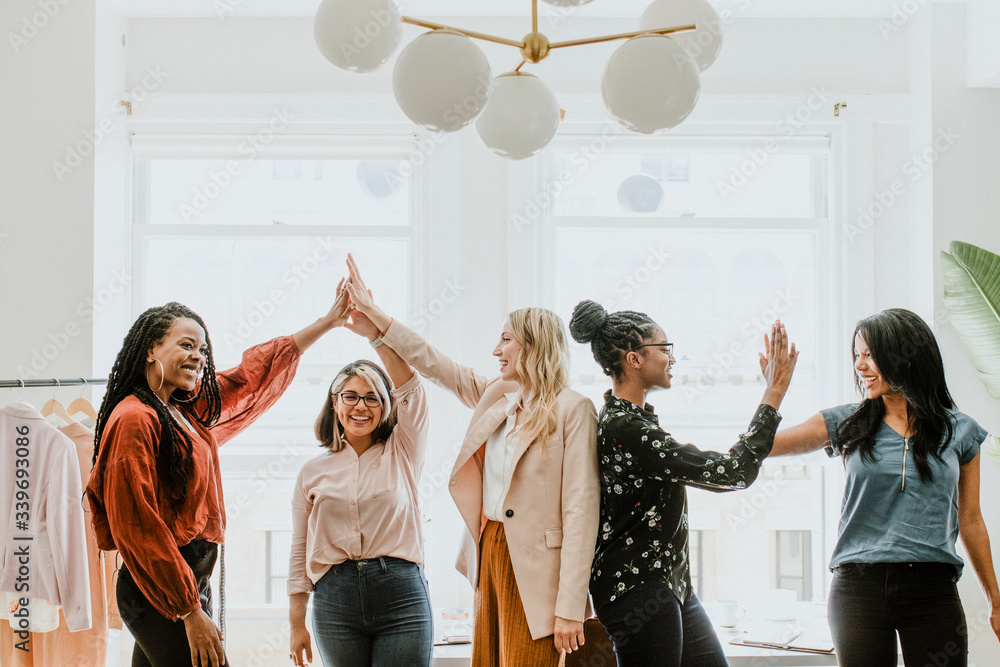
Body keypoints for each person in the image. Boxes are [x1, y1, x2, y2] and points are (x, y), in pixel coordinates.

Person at [342, 254, 599, 666]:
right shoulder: (498, 395)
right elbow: (433, 362)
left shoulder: (575, 409)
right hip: (491, 549)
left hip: (537, 567)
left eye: (506, 340)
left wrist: (571, 605)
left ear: (533, 344)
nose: (496, 350)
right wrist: (377, 327)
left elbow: (582, 510)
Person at [86, 287, 351, 667]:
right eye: (187, 344)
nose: (198, 356)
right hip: (163, 590)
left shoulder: (180, 410)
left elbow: (249, 378)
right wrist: (190, 611)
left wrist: (326, 323)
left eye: (203, 350)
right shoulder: (134, 418)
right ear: (150, 349)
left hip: (182, 584)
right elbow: (138, 526)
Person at [568, 300, 798, 667]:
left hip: (669, 584)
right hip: (638, 590)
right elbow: (731, 472)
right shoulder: (626, 429)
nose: (672, 358)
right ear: (635, 358)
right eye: (665, 349)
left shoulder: (634, 422)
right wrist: (774, 392)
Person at [768, 308, 1000, 666]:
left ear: (907, 358)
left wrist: (995, 603)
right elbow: (758, 447)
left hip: (932, 590)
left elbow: (970, 520)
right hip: (858, 589)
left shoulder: (962, 431)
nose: (860, 366)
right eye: (857, 356)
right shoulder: (846, 421)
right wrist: (774, 392)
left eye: (870, 355)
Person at [287, 288, 432, 667]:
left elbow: (412, 388)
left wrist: (375, 332)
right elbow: (300, 549)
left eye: (372, 397)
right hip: (335, 599)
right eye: (350, 396)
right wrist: (295, 622)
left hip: (401, 592)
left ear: (386, 406)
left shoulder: (403, 451)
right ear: (335, 404)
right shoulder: (311, 472)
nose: (361, 406)